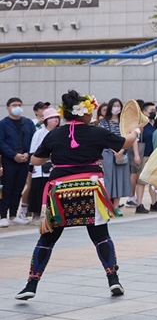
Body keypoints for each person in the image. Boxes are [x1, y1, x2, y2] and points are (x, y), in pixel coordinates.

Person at [16, 91, 138, 300]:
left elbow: (35, 161)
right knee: (100, 236)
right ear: (85, 113)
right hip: (89, 189)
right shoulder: (96, 132)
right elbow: (124, 143)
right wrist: (135, 131)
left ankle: (31, 284)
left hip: (61, 191)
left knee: (48, 238)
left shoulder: (54, 134)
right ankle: (113, 280)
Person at [0, 96, 37, 227]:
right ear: (8, 108)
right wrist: (14, 155)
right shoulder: (3, 124)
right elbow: (2, 143)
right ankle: (3, 215)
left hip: (24, 160)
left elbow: (33, 140)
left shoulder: (27, 123)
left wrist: (27, 153)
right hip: (9, 161)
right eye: (14, 105)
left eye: (19, 105)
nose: (17, 108)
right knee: (7, 188)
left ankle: (14, 215)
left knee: (19, 188)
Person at [23, 108, 61, 228]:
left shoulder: (60, 133)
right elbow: (33, 151)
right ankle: (36, 215)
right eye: (51, 118)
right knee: (38, 191)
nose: (54, 120)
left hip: (55, 167)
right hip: (40, 168)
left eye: (56, 118)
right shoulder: (39, 133)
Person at [98, 98, 134, 213]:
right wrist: (115, 151)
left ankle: (116, 206)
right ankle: (107, 205)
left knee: (120, 179)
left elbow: (128, 138)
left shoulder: (125, 123)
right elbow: (103, 139)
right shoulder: (104, 123)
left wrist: (121, 151)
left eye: (118, 106)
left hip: (122, 154)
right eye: (114, 106)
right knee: (108, 179)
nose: (116, 108)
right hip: (108, 154)